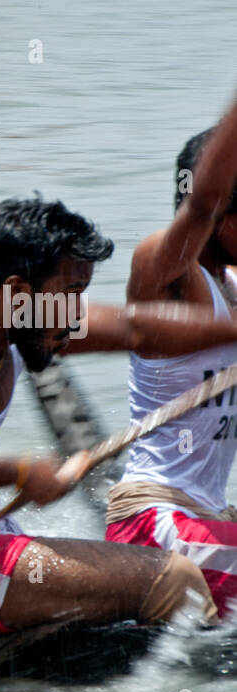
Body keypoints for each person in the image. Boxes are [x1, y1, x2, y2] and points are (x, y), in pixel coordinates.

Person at [0, 196, 237, 642]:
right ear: (19, 293)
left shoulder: (17, 323)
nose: (77, 312)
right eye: (72, 293)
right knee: (177, 580)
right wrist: (17, 471)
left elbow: (137, 328)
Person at [105, 84, 237, 612]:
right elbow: (199, 210)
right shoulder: (168, 278)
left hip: (207, 519)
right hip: (152, 524)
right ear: (226, 222)